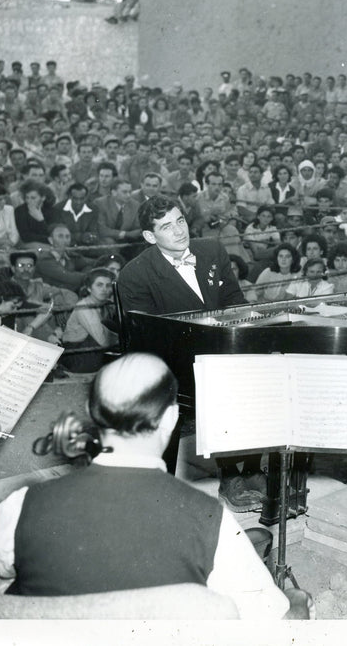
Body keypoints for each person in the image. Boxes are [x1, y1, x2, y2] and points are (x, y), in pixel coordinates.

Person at [0, 353, 291, 618]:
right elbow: (270, 621)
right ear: (171, 418)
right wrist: (298, 603)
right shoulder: (212, 519)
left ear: (91, 414)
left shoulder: (22, 506)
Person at [115, 196, 258, 512]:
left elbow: (233, 299)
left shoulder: (211, 250)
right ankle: (222, 475)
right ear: (150, 237)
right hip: (170, 362)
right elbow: (150, 340)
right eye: (166, 226)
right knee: (227, 381)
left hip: (219, 348)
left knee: (262, 368)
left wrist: (249, 328)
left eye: (180, 220)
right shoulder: (135, 274)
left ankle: (247, 469)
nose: (179, 231)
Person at [61, 267, 119, 373]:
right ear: (89, 288)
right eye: (99, 285)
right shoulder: (84, 307)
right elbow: (103, 341)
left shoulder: (106, 304)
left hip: (92, 349)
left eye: (108, 285)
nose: (104, 289)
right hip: (77, 354)